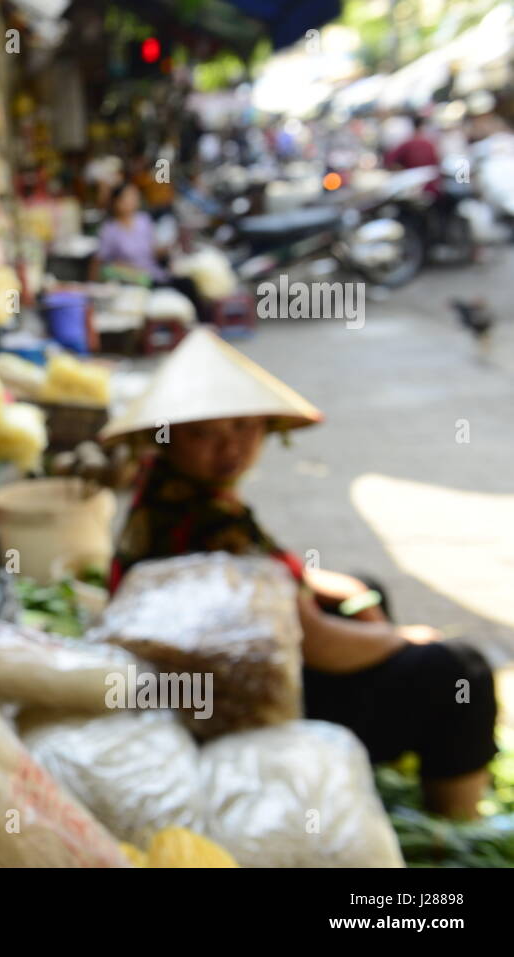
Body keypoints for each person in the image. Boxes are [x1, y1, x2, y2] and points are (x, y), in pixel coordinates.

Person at [101, 329, 498, 820]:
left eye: (245, 426)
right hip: (235, 707)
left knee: (360, 587)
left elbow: (271, 580)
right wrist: (404, 639)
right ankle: (455, 824)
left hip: (202, 667)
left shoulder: (168, 486)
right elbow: (315, 642)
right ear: (165, 435)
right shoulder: (210, 525)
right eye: (204, 433)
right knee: (459, 669)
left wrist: (345, 595)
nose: (231, 448)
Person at [90, 179, 206, 322]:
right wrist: (93, 286)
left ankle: (201, 322)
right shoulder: (109, 230)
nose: (133, 200)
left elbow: (153, 250)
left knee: (188, 283)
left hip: (153, 274)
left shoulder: (143, 221)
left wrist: (171, 247)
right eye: (128, 197)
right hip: (133, 280)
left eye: (135, 196)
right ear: (116, 202)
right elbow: (100, 261)